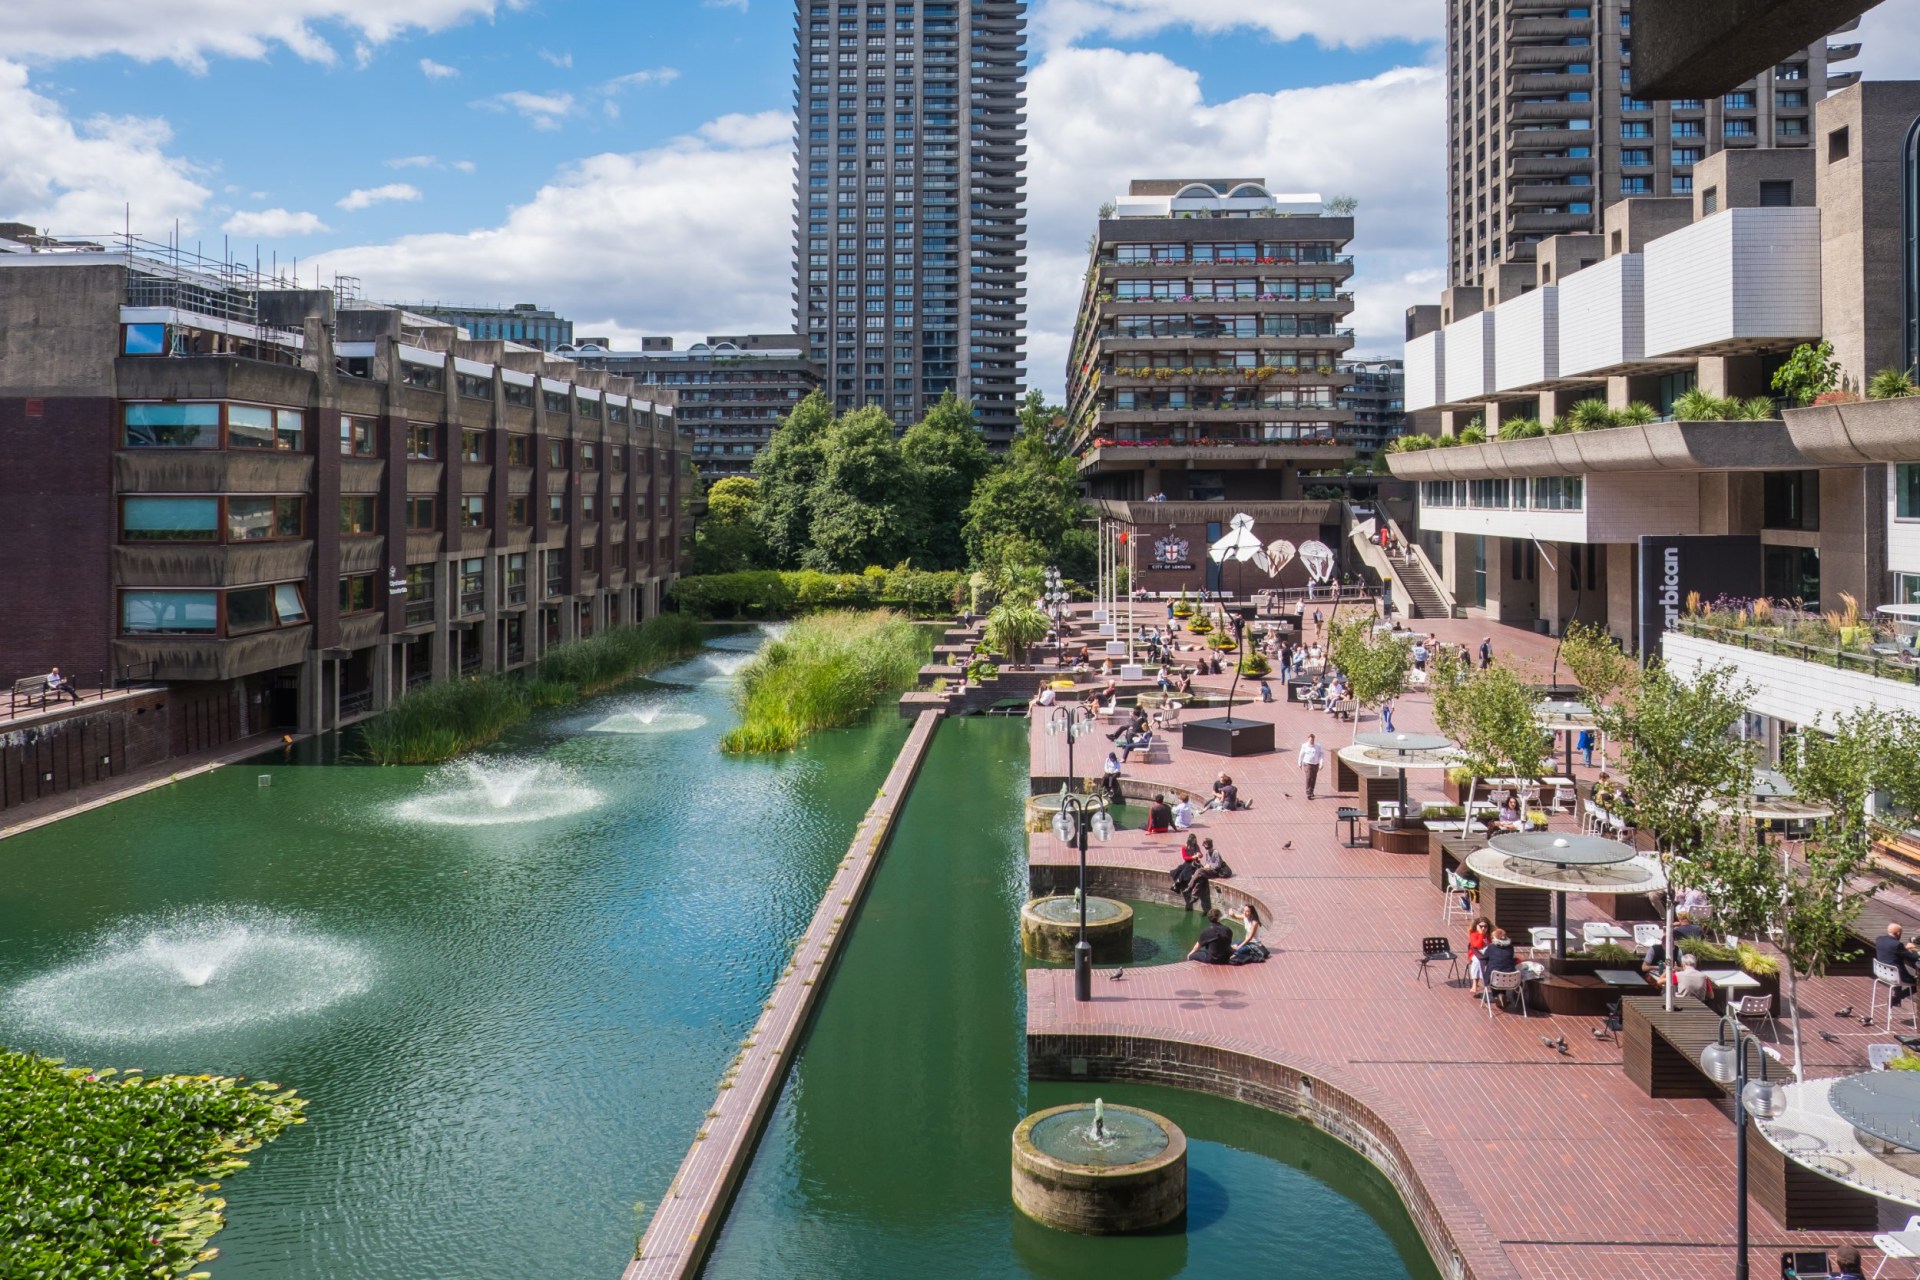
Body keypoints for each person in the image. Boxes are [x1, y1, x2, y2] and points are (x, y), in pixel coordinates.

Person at [1877, 922, 1919, 1006]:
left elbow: (1894, 951)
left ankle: (1897, 999)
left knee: (1895, 970)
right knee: (1918, 983)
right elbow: (1912, 957)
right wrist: (1914, 951)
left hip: (1883, 974)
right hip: (1897, 976)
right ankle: (1897, 998)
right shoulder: (1897, 944)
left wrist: (1904, 949)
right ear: (1898, 933)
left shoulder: (1879, 939)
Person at [1466, 916, 1492, 995]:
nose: (1483, 928)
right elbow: (1477, 945)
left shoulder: (1489, 935)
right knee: (1477, 961)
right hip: (1475, 953)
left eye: (1485, 926)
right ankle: (1474, 984)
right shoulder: (1473, 934)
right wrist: (1481, 934)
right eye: (1481, 926)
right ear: (1477, 926)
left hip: (1487, 954)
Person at [1298, 733, 1327, 800]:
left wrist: (1321, 763)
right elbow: (1301, 754)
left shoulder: (1318, 746)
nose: (1312, 741)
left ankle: (1311, 791)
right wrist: (1299, 763)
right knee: (1309, 777)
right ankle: (1308, 793)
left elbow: (1321, 755)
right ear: (1308, 739)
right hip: (1307, 763)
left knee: (1313, 778)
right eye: (1310, 740)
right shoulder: (1304, 746)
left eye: (1313, 740)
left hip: (1315, 764)